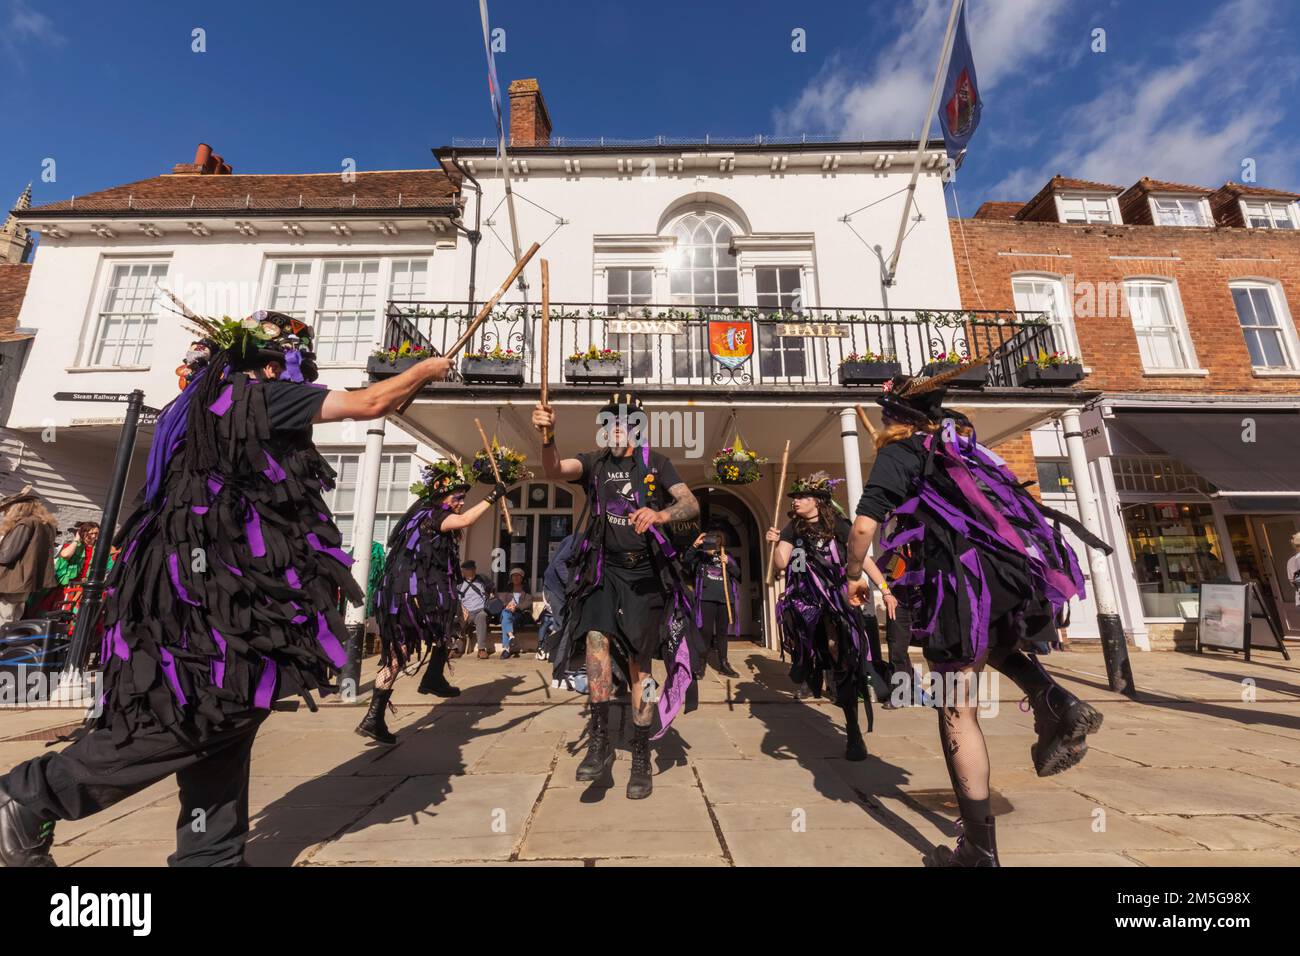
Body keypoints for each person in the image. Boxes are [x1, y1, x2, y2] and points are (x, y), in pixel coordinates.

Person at [0, 309, 454, 867]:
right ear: (271, 364)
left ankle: (210, 857)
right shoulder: (253, 396)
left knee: (227, 705)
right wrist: (425, 370)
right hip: (207, 599)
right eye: (296, 367)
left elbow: (358, 407)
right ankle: (32, 795)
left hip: (202, 594)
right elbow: (369, 403)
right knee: (201, 715)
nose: (302, 380)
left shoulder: (211, 406)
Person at [845, 368, 1110, 867]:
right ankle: (1057, 701)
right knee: (998, 643)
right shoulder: (964, 451)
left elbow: (863, 528)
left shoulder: (899, 453)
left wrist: (853, 573)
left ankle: (979, 853)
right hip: (1007, 575)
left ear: (892, 419)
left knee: (956, 709)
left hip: (957, 586)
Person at [532, 393, 699, 800]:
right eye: (609, 420)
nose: (615, 427)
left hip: (644, 577)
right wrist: (547, 435)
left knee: (641, 668)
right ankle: (600, 741)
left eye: (623, 420)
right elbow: (554, 469)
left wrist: (660, 514)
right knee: (595, 645)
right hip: (602, 572)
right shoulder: (594, 462)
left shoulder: (656, 463)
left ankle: (640, 755)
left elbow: (690, 503)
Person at [356, 461, 509, 744]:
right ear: (441, 493)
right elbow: (464, 521)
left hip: (403, 595)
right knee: (453, 617)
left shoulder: (422, 515)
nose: (462, 503)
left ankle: (373, 716)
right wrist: (492, 497)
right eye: (458, 498)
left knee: (398, 654)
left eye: (464, 498)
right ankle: (433, 678)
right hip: (413, 595)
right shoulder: (433, 515)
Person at [767, 472, 884, 762]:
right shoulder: (791, 528)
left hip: (834, 599)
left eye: (802, 497)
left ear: (818, 501)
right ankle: (803, 662)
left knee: (842, 654)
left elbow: (863, 558)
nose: (796, 502)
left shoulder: (839, 527)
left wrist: (885, 588)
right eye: (794, 498)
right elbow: (782, 564)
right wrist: (775, 542)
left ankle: (853, 731)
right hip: (804, 598)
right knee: (794, 618)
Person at [684, 531, 741, 678]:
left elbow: (737, 573)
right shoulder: (701, 555)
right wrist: (695, 545)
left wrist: (728, 563)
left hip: (725, 600)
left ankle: (723, 664)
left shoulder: (726, 554)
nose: (714, 541)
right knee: (705, 633)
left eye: (716, 538)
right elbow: (686, 560)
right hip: (706, 599)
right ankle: (701, 665)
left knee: (722, 633)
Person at [0, 488, 58, 627]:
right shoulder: (44, 524)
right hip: (24, 580)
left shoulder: (26, 523)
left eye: (8, 510)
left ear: (18, 507)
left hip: (11, 581)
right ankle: (8, 646)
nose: (6, 514)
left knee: (5, 618)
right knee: (14, 618)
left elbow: (7, 556)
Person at [456, 561, 495, 659]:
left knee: (482, 616)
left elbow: (492, 589)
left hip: (480, 610)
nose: (471, 572)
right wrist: (462, 610)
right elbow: (457, 600)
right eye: (468, 571)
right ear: (463, 572)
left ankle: (481, 649)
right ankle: (457, 649)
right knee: (456, 619)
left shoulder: (482, 579)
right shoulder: (459, 584)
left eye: (472, 570)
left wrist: (491, 597)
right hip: (465, 611)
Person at [500, 567, 532, 660]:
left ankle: (506, 649)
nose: (515, 578)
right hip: (508, 612)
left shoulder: (526, 590)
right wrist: (509, 606)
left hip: (520, 614)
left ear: (522, 578)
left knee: (505, 620)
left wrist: (516, 607)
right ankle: (510, 637)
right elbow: (502, 601)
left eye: (518, 576)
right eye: (513, 576)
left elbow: (528, 603)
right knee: (506, 614)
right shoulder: (508, 589)